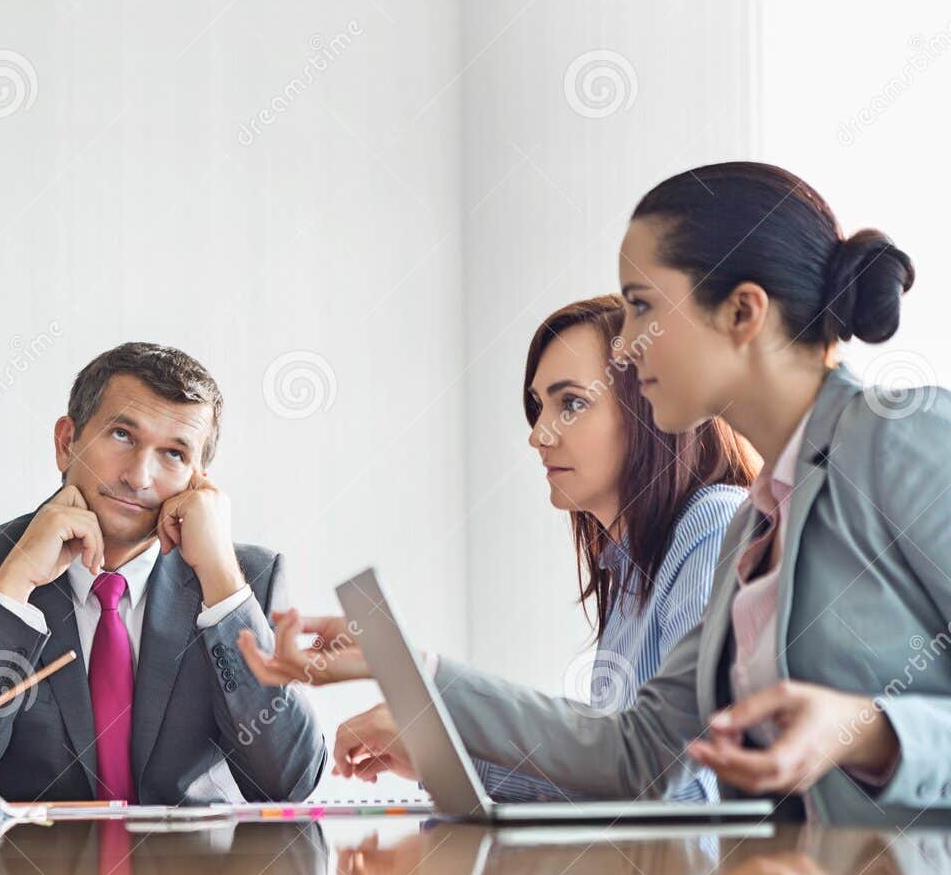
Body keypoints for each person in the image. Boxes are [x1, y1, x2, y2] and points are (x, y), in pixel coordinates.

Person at [243, 162, 951, 824]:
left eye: (643, 307)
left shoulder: (901, 436)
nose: (625, 346)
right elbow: (640, 755)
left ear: (743, 313)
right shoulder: (755, 524)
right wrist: (406, 666)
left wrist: (873, 730)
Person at [0, 342, 326, 803]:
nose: (140, 477)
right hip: (31, 872)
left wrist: (222, 585)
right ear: (67, 443)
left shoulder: (245, 582)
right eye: (123, 435)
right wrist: (12, 591)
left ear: (199, 481)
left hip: (199, 871)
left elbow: (289, 782)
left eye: (174, 454)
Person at [470, 294, 753, 802]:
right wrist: (456, 758)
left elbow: (684, 792)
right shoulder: (629, 566)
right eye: (539, 407)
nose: (538, 435)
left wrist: (468, 744)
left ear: (651, 408)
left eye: (571, 403)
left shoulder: (714, 525)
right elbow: (618, 775)